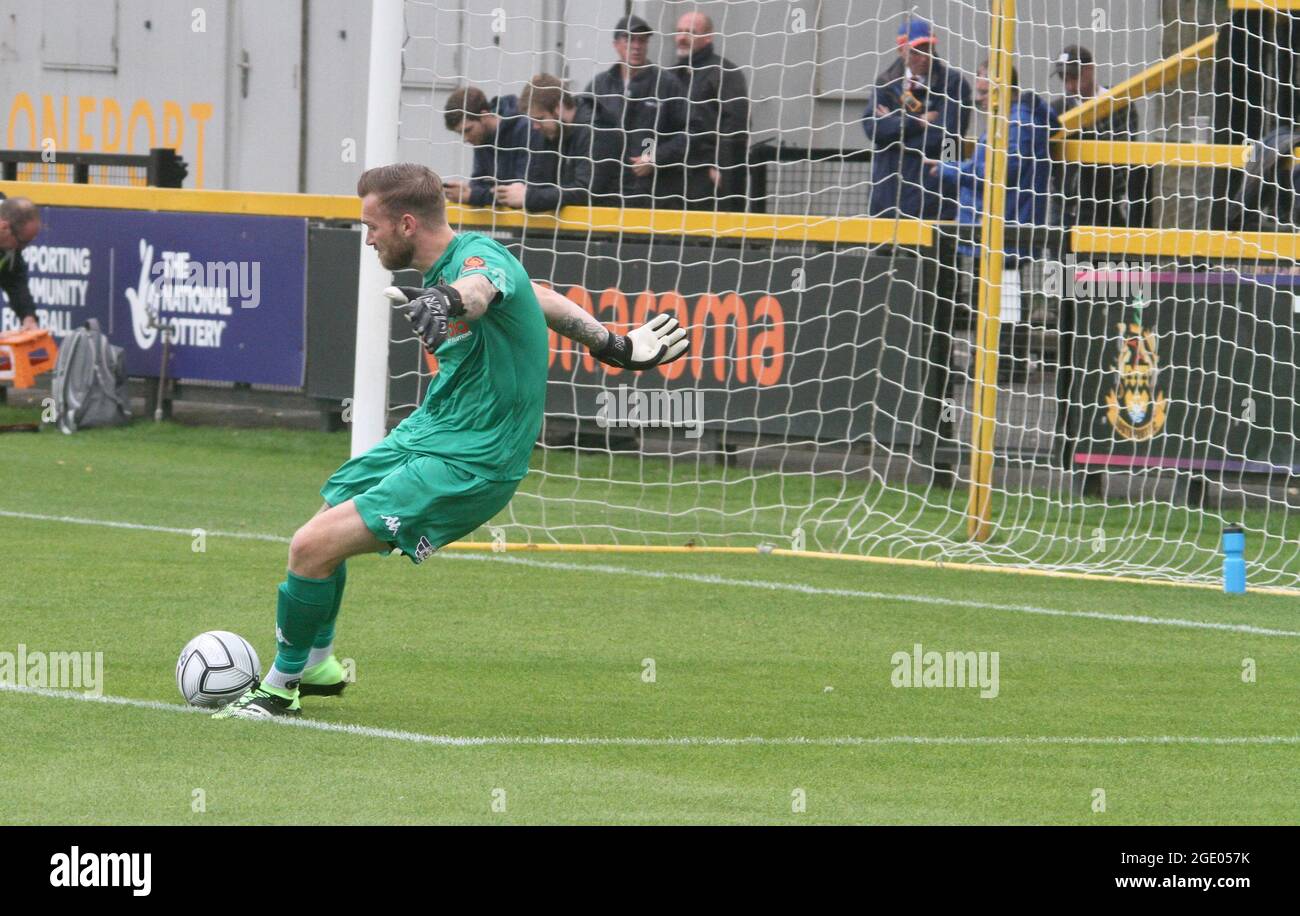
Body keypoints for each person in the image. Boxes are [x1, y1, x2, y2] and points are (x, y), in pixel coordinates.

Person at [213, 163, 688, 719]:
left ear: (407, 223)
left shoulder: (475, 265)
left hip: (471, 461)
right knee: (327, 524)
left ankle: (277, 690)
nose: (367, 238)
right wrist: (612, 344)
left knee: (307, 546)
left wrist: (446, 301)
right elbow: (537, 295)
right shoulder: (470, 256)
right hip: (431, 431)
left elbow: (481, 291)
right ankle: (316, 663)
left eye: (371, 226)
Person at [861, 18, 971, 486]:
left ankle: (938, 435)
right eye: (915, 48)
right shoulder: (886, 80)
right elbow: (871, 128)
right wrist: (912, 122)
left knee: (937, 323)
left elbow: (946, 139)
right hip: (890, 210)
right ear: (902, 48)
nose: (921, 55)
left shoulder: (955, 85)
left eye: (928, 48)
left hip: (935, 211)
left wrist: (901, 126)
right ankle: (882, 420)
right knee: (888, 316)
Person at [930, 60, 1059, 383]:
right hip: (999, 224)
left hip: (1001, 225)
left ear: (1004, 91)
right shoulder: (1015, 119)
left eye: (986, 91)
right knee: (1002, 295)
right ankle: (1001, 359)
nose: (980, 98)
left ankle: (1001, 360)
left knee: (998, 296)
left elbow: (998, 173)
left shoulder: (1016, 124)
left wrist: (949, 169)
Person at [583, 15, 693, 209]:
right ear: (616, 44)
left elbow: (689, 132)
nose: (636, 46)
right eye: (629, 39)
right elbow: (584, 129)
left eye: (642, 40)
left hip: (652, 193)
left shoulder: (666, 84)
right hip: (606, 191)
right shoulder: (600, 85)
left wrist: (653, 156)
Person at [1051, 45, 1145, 228]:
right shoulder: (1058, 110)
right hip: (1067, 206)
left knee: (1106, 256)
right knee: (1063, 256)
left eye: (1075, 77)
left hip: (1109, 203)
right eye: (1064, 79)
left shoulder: (1119, 103)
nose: (1070, 86)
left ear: (1090, 70)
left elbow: (1124, 152)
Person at [670, 11, 750, 210]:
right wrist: (648, 158)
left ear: (708, 37)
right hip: (670, 177)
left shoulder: (723, 74)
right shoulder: (670, 76)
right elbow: (652, 123)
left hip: (707, 178)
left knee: (710, 236)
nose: (682, 38)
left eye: (689, 32)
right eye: (679, 32)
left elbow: (734, 127)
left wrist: (722, 169)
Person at [494, 74, 607, 213]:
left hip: (608, 229)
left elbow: (586, 191)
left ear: (558, 107)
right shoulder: (549, 132)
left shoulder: (597, 130)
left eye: (539, 119)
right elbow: (537, 182)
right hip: (566, 230)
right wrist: (518, 191)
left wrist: (528, 197)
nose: (535, 126)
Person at [441, 86, 539, 207]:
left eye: (467, 130)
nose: (465, 139)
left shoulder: (527, 129)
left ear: (484, 115)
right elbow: (478, 184)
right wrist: (467, 191)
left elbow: (520, 192)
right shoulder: (481, 139)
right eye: (460, 133)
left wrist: (472, 195)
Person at [0, 196, 41, 332]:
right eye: (22, 242)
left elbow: (15, 281)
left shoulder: (10, 248)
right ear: (4, 227)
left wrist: (28, 316)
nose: (22, 249)